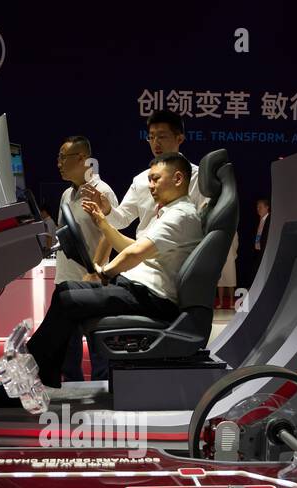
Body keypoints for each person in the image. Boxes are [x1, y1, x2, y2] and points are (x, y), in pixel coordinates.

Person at [26, 152, 202, 388]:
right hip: (140, 290)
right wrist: (103, 223)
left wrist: (104, 273)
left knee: (68, 297)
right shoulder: (171, 211)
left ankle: (34, 370)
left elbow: (133, 254)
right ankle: (42, 370)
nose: (150, 186)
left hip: (153, 298)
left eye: (155, 179)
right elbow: (131, 246)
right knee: (66, 291)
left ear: (179, 179)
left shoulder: (181, 215)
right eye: (149, 179)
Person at [80, 109, 206, 269]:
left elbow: (206, 225)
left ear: (179, 138)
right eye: (151, 137)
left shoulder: (197, 176)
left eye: (161, 136)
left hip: (178, 265)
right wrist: (108, 210)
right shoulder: (140, 180)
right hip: (140, 262)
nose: (156, 143)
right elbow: (122, 219)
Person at [54, 135, 119, 382]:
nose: (58, 163)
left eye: (63, 157)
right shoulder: (66, 195)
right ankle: (72, 405)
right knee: (68, 356)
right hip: (66, 283)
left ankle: (105, 406)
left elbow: (111, 234)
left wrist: (98, 271)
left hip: (92, 285)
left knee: (100, 352)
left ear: (82, 158)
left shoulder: (102, 191)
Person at [252, 197, 270, 281]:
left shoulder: (270, 220)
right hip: (258, 251)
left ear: (267, 207)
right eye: (257, 207)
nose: (258, 209)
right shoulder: (259, 220)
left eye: (260, 207)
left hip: (266, 253)